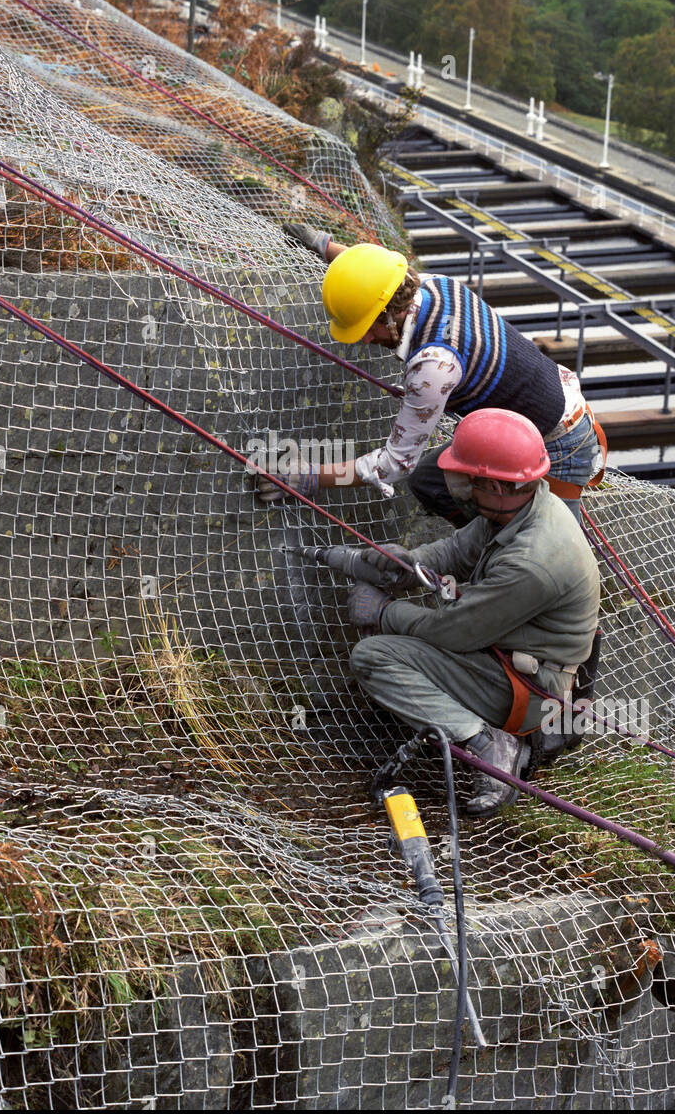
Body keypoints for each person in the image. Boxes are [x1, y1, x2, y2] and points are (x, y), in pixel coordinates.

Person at [340, 408, 601, 816]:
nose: (457, 486)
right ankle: (471, 729)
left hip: (532, 690)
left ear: (496, 484)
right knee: (398, 642)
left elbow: (453, 632)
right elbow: (456, 552)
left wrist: (384, 611)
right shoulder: (520, 506)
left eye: (468, 479)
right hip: (508, 658)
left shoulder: (533, 561)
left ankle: (491, 747)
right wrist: (408, 565)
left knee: (374, 657)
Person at [254, 228, 606, 523]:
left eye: (367, 326)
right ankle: (485, 539)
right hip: (542, 401)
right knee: (430, 482)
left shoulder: (434, 367)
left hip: (558, 444)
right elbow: (379, 276)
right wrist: (325, 247)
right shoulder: (433, 285)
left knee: (545, 554)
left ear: (391, 316)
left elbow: (393, 464)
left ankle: (495, 548)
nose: (364, 338)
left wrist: (311, 478)